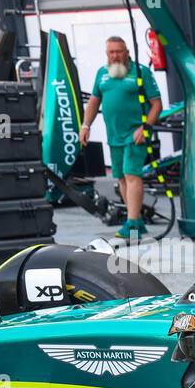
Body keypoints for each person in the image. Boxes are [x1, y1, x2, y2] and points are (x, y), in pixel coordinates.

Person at [79, 36, 162, 239]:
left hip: (135, 134)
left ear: (127, 52)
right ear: (107, 54)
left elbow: (156, 104)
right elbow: (93, 103)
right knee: (121, 178)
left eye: (119, 51)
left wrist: (146, 127)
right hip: (114, 136)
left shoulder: (141, 72)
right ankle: (136, 221)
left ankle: (132, 224)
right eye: (111, 52)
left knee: (131, 175)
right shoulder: (102, 74)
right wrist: (85, 125)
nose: (115, 55)